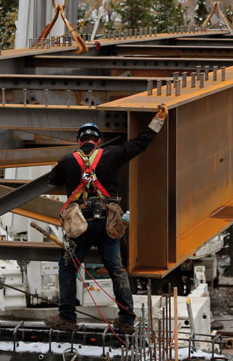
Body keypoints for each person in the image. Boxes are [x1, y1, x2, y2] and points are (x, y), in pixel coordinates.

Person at [44, 104, 169, 334]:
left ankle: (67, 318)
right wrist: (158, 120)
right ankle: (126, 320)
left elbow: (53, 180)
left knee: (68, 268)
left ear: (80, 142)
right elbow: (140, 144)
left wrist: (58, 168)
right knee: (116, 270)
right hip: (107, 223)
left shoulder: (67, 161)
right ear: (98, 141)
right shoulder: (112, 154)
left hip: (79, 224)